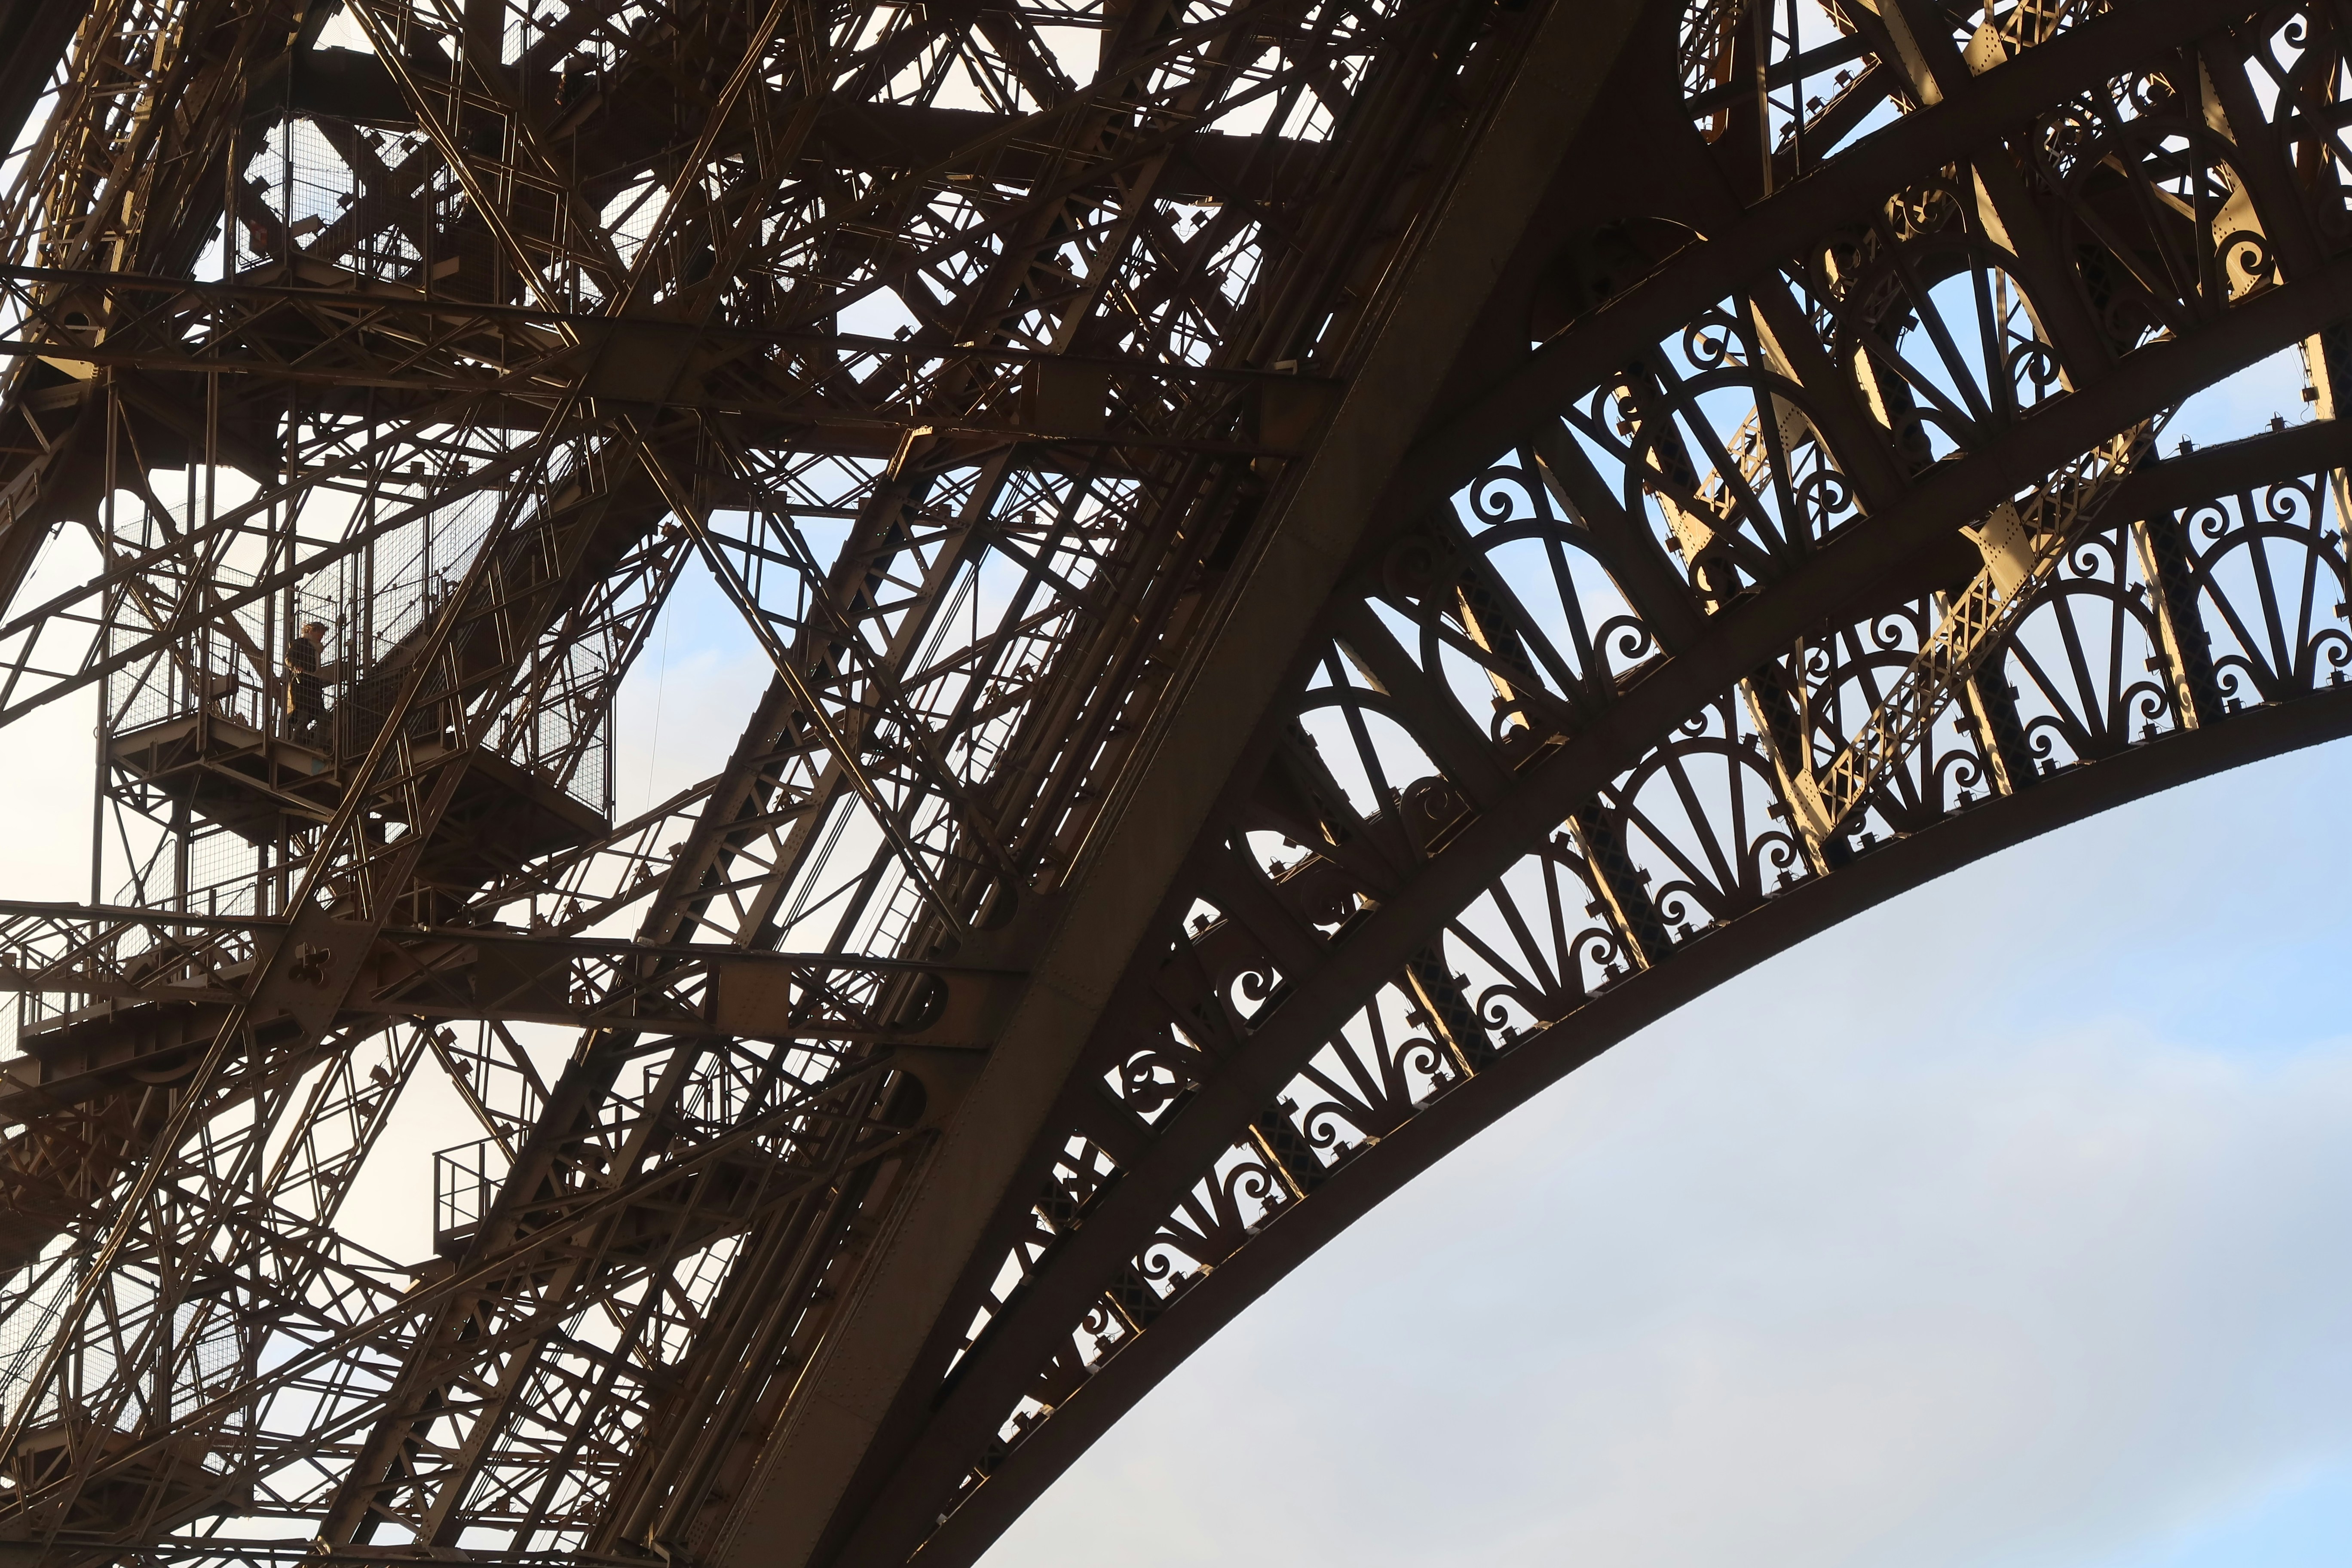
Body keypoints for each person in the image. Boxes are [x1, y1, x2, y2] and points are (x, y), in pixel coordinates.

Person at [285, 621, 330, 742]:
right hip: (302, 687)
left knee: (323, 718)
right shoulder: (301, 643)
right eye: (320, 633)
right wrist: (296, 666)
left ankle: (319, 746)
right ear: (311, 631)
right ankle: (295, 743)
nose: (321, 637)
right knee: (304, 717)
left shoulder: (315, 648)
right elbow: (289, 658)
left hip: (313, 687)